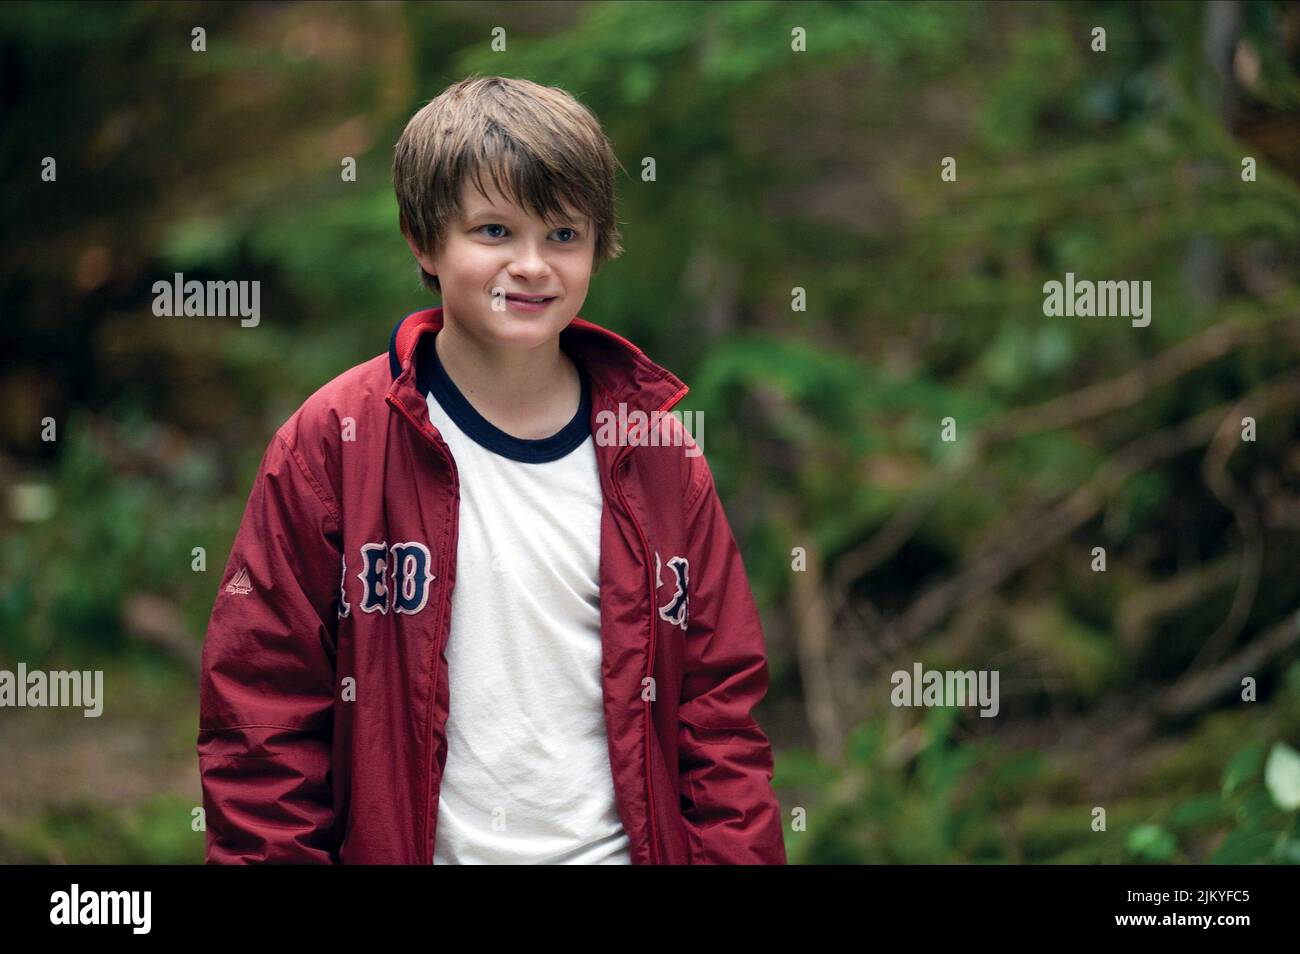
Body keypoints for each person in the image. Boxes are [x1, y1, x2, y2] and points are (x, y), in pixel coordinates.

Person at [197, 74, 786, 864]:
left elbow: (718, 719)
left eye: (564, 235)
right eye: (494, 231)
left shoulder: (658, 453)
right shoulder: (334, 443)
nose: (533, 265)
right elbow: (261, 716)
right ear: (423, 238)